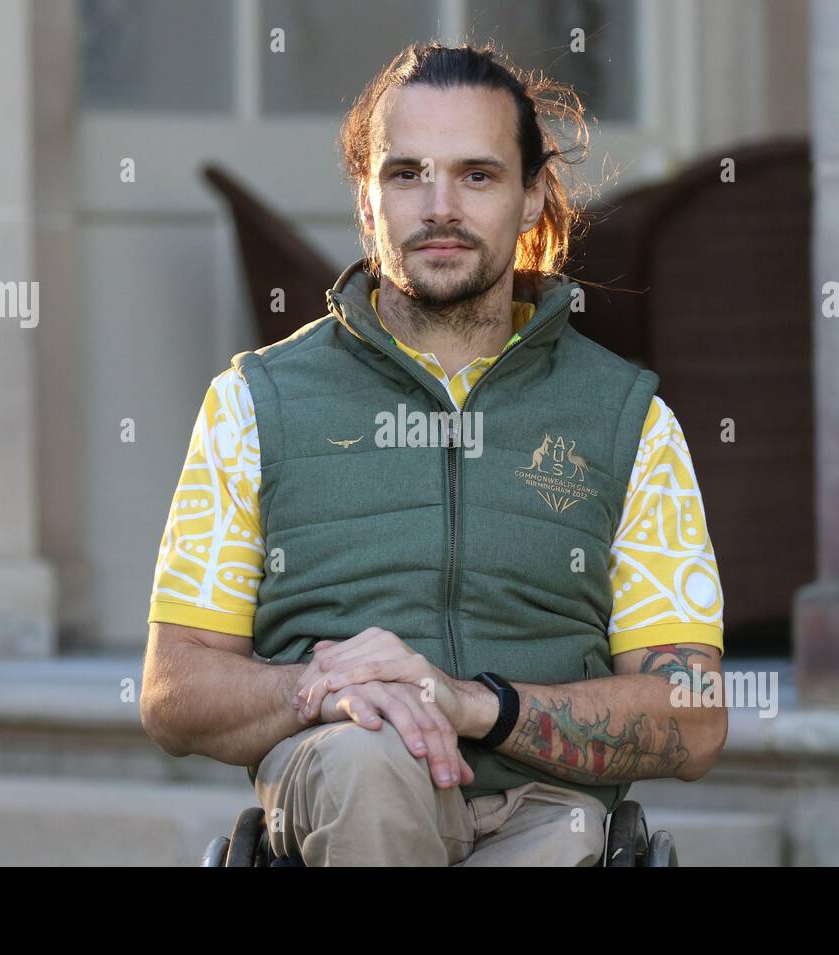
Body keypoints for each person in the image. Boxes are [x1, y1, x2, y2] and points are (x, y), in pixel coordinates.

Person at [140, 42, 726, 866]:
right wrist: (332, 691)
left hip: (547, 812)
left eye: (477, 175)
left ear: (532, 198)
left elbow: (693, 715)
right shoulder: (253, 404)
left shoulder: (631, 422)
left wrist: (473, 706)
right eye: (406, 173)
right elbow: (173, 692)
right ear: (366, 199)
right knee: (369, 760)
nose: (438, 206)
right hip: (344, 787)